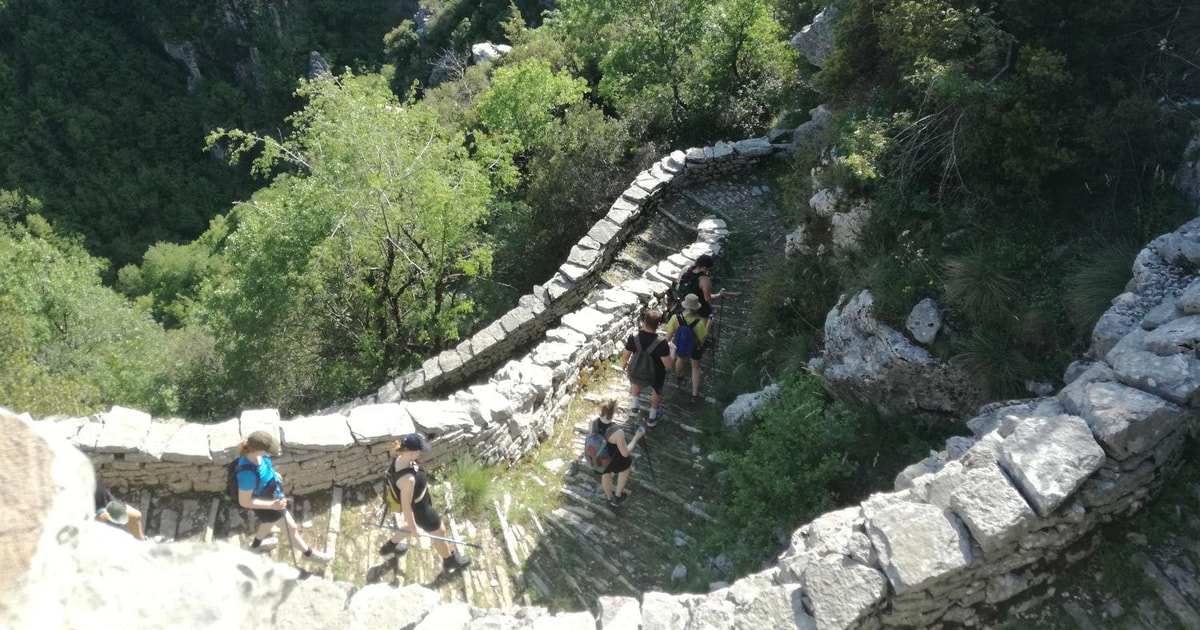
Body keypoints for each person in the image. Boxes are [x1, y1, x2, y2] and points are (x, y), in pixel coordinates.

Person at [378, 433, 472, 575]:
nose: (420, 453)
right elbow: (407, 507)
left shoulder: (400, 459)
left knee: (411, 524)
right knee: (440, 532)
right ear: (412, 452)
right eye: (419, 451)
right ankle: (449, 560)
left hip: (420, 504)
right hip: (423, 510)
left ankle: (390, 546)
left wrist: (413, 525)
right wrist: (415, 530)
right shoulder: (408, 479)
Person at [235, 430, 332, 564]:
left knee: (268, 522)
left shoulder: (258, 456)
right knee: (291, 528)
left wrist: (274, 474)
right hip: (267, 503)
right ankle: (308, 554)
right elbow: (244, 502)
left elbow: (264, 469)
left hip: (272, 495)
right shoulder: (246, 475)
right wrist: (272, 505)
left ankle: (255, 547)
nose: (270, 453)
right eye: (268, 451)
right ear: (258, 450)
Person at [621, 308, 675, 426]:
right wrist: (671, 352)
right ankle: (652, 417)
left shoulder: (633, 336)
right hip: (656, 374)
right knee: (656, 390)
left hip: (636, 371)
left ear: (644, 321)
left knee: (636, 381)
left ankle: (634, 408)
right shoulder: (662, 343)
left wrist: (625, 364)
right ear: (659, 325)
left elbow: (625, 355)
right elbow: (669, 365)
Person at [592, 400, 644, 507]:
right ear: (614, 410)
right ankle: (618, 495)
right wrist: (636, 438)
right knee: (626, 465)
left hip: (599, 458)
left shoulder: (593, 423)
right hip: (613, 460)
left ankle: (609, 498)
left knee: (605, 474)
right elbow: (625, 453)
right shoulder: (617, 432)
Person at [665, 293, 710, 402]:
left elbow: (668, 337)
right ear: (696, 309)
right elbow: (702, 340)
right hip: (694, 348)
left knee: (680, 359)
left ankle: (679, 375)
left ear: (684, 306)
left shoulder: (676, 318)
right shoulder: (698, 323)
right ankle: (694, 394)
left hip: (679, 346)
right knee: (695, 367)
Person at [675, 254, 726, 336]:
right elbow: (708, 299)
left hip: (685, 303)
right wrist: (719, 294)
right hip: (700, 308)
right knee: (711, 318)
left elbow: (678, 283)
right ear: (704, 268)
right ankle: (702, 339)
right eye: (708, 269)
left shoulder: (686, 269)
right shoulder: (704, 280)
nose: (708, 272)